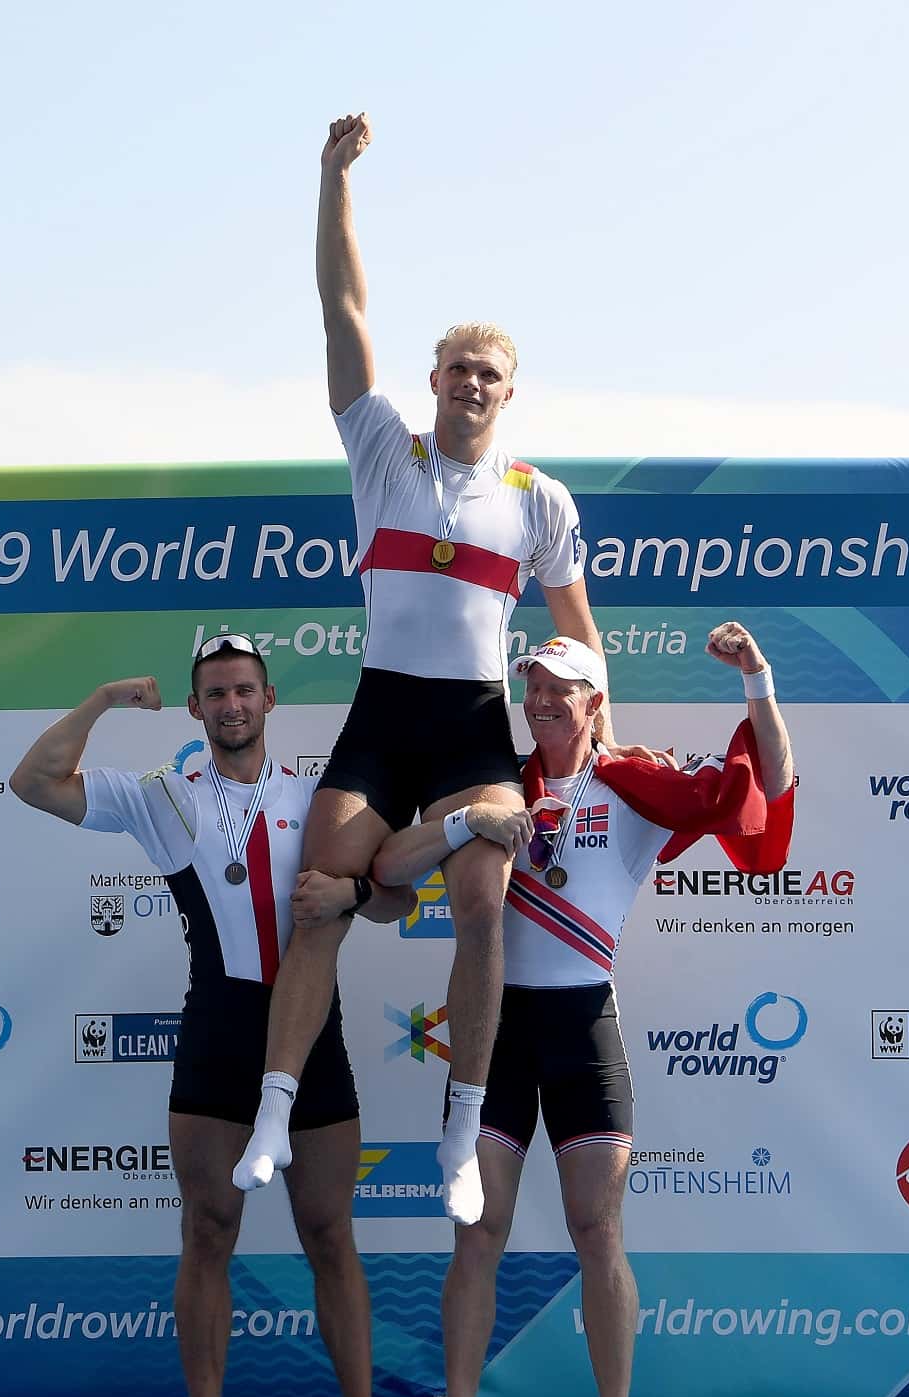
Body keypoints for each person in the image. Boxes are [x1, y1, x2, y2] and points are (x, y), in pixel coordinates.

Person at [235, 111, 636, 1229]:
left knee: (480, 898)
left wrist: (595, 737)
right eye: (458, 366)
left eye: (490, 372)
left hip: (470, 728)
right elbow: (341, 303)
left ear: (511, 393)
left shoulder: (539, 500)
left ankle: (459, 1132)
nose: (471, 381)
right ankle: (272, 1112)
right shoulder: (380, 449)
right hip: (382, 716)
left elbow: (578, 632)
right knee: (321, 899)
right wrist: (331, 178)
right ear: (434, 378)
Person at [358, 624, 796, 1397]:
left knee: (599, 1230)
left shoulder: (634, 781)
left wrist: (759, 681)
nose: (546, 697)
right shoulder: (495, 785)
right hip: (496, 1033)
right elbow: (386, 865)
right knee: (478, 1232)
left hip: (585, 1026)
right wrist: (467, 824)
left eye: (564, 685)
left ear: (595, 701)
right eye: (535, 684)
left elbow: (764, 788)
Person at [9, 634, 409, 1397]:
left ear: (270, 702)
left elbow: (402, 893)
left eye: (245, 691)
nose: (231, 705)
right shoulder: (163, 796)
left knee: (330, 1235)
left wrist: (355, 893)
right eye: (215, 693)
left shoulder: (321, 798)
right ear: (196, 710)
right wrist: (102, 700)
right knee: (207, 1231)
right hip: (216, 1034)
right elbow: (33, 783)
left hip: (314, 1041)